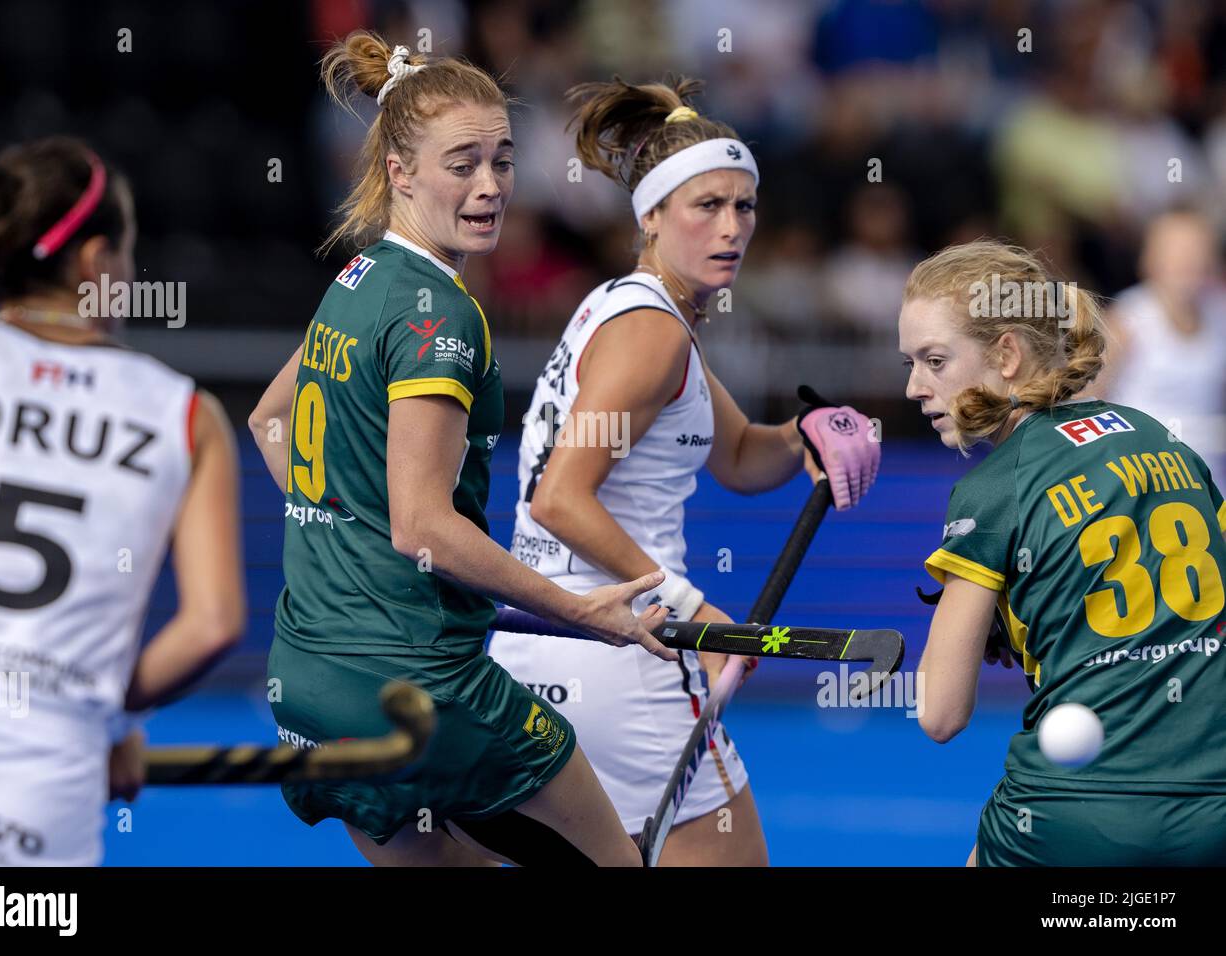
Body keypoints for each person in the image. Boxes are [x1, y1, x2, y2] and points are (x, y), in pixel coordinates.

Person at [248, 33, 673, 867]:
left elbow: (270, 422)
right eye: (462, 164)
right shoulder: (439, 314)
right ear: (400, 173)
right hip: (415, 685)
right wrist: (580, 610)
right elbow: (424, 529)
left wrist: (351, 532)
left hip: (305, 682)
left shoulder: (356, 281)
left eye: (502, 160)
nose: (490, 185)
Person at [487, 76, 880, 866]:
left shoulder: (637, 312)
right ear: (652, 216)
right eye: (707, 205)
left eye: (745, 206)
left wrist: (803, 431)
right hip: (627, 650)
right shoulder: (652, 334)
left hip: (541, 644)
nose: (732, 227)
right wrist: (696, 615)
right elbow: (561, 498)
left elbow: (738, 455)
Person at [0, 136, 245, 865]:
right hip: (41, 789)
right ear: (97, 261)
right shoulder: (184, 415)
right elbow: (213, 624)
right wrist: (103, 713)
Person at [900, 239, 1226, 866]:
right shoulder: (1164, 440)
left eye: (934, 360)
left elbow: (941, 715)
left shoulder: (992, 489)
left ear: (1008, 355)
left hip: (1069, 814)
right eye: (910, 362)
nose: (914, 386)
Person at [1099, 208, 1226, 472]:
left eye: (1197, 250)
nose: (1188, 262)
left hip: (1211, 472)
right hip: (1145, 468)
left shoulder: (1220, 312)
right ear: (1150, 259)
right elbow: (1090, 398)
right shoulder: (1127, 319)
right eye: (1177, 252)